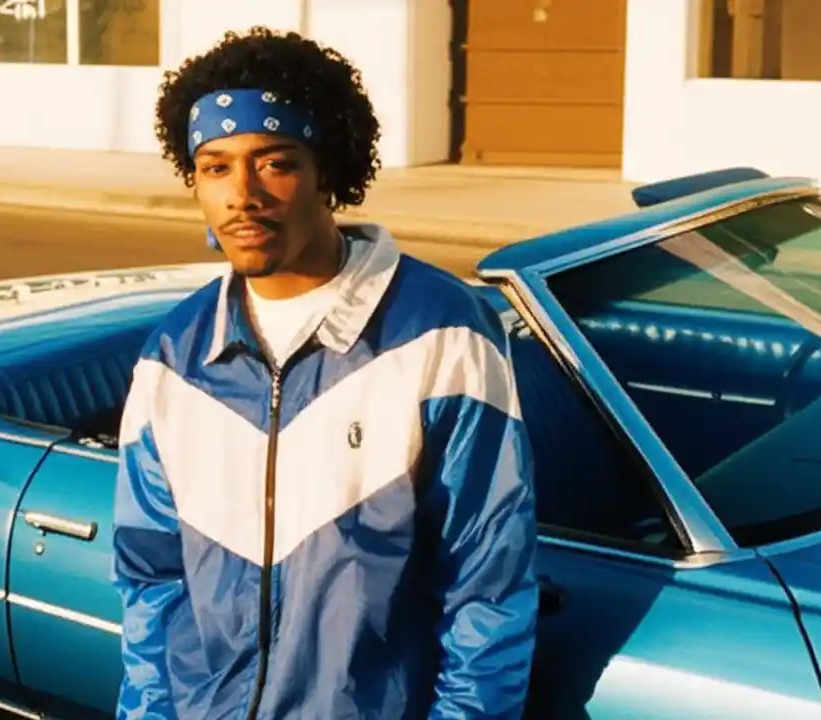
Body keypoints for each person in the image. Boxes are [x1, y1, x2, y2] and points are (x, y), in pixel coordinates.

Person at [111, 26, 538, 720]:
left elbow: (487, 586)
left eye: (274, 163)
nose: (242, 195)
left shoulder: (439, 336)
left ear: (328, 171)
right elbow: (151, 581)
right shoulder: (173, 356)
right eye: (216, 167)